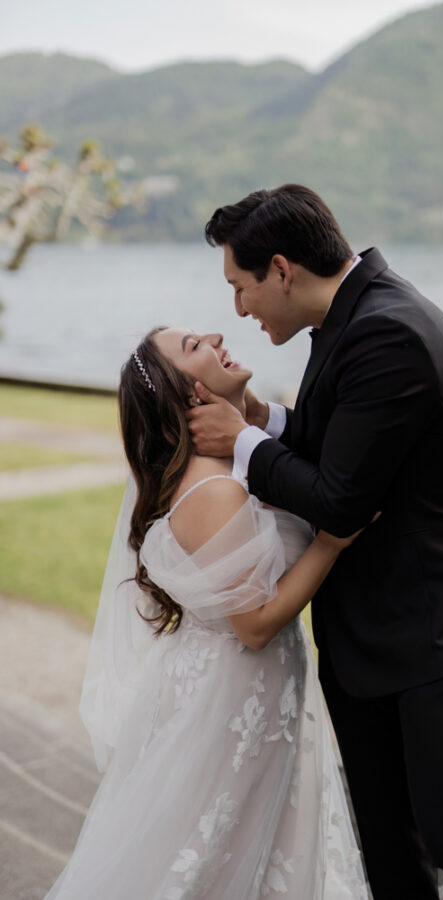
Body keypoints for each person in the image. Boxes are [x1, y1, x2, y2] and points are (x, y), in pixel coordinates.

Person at [185, 184, 443, 899]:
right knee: (387, 846)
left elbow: (340, 500)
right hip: (369, 634)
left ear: (283, 269)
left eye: (241, 286)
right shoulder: (352, 317)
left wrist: (245, 443)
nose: (239, 309)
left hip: (434, 624)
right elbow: (345, 448)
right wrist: (265, 418)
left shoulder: (392, 330)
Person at [44, 326, 369, 900]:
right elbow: (255, 623)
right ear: (186, 392)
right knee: (202, 862)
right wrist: (333, 542)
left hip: (257, 700)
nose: (218, 334)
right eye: (195, 345)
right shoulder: (212, 490)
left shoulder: (233, 465)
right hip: (230, 703)